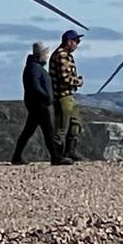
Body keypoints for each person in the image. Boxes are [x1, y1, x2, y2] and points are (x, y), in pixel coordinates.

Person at [11, 42, 70, 166]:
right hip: (39, 104)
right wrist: (46, 96)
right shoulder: (34, 68)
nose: (47, 56)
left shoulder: (34, 67)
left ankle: (17, 156)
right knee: (48, 131)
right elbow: (35, 85)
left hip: (36, 103)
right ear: (40, 54)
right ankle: (56, 157)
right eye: (45, 54)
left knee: (28, 131)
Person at [49, 29, 84, 161]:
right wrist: (78, 82)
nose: (77, 44)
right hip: (62, 96)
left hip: (68, 95)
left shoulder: (66, 55)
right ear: (69, 42)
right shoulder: (62, 56)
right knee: (61, 126)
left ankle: (70, 152)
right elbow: (65, 78)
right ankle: (57, 156)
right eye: (76, 41)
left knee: (75, 123)